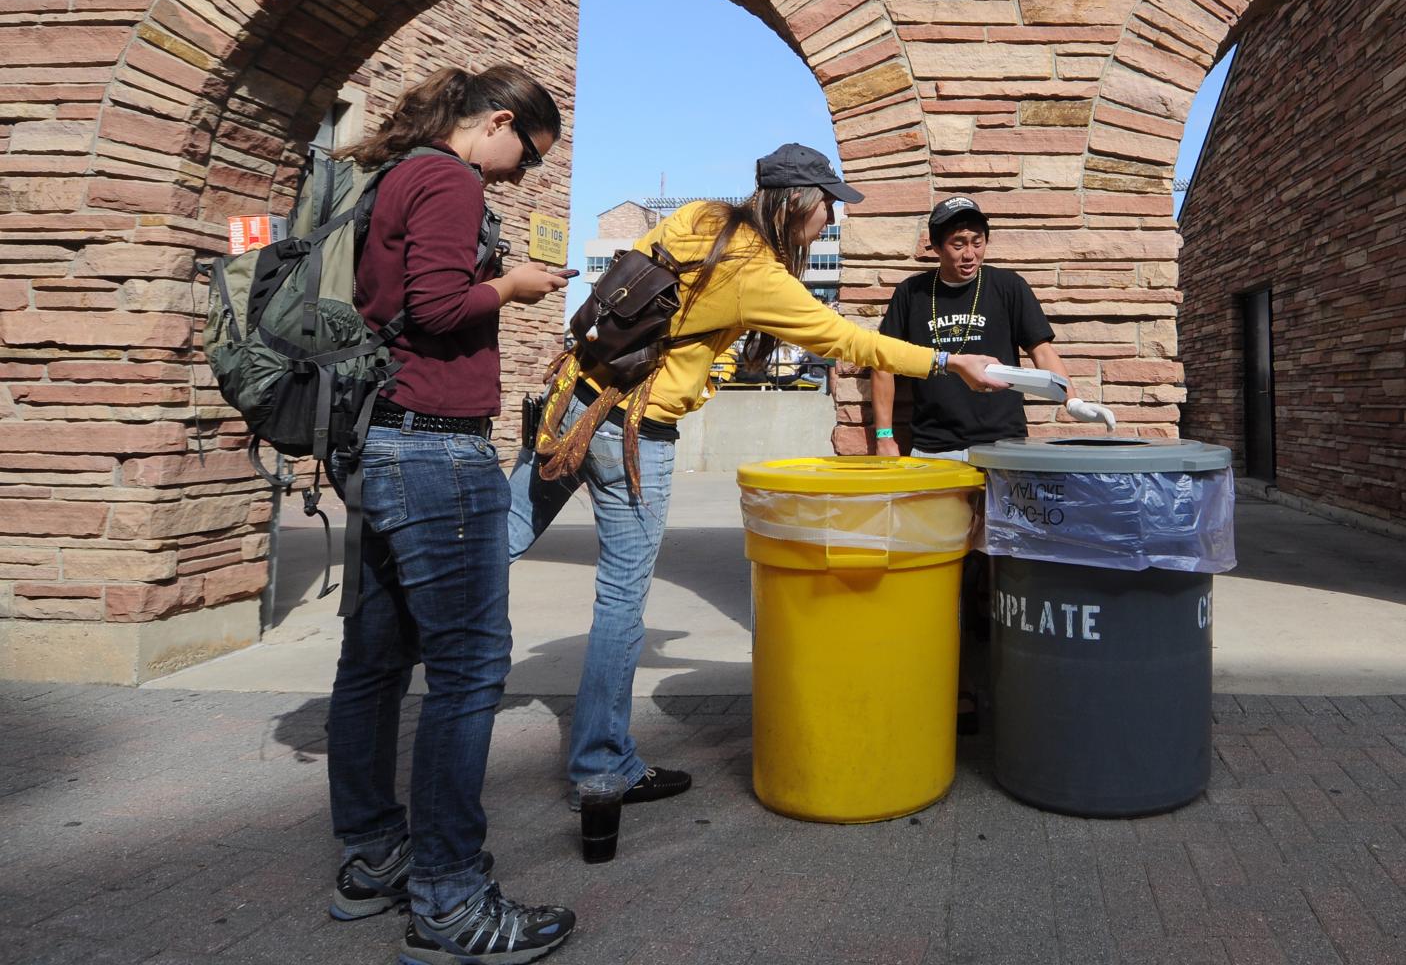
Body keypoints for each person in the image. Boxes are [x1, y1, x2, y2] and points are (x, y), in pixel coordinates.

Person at [509, 143, 1009, 808]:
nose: (830, 219)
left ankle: (405, 634)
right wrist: (950, 363)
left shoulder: (698, 219)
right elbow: (846, 341)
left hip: (572, 400)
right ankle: (603, 768)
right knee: (621, 601)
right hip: (634, 432)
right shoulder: (756, 274)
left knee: (498, 533)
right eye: (827, 204)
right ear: (798, 200)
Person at [324, 64, 579, 964]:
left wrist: (497, 275)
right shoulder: (446, 177)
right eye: (524, 157)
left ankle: (371, 857)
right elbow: (435, 306)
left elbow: (404, 294)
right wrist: (512, 290)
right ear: (497, 121)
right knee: (469, 673)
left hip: (382, 441)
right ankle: (450, 901)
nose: (517, 177)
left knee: (376, 662)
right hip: (436, 448)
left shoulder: (396, 174)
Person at [871, 195, 1109, 460]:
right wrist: (884, 437)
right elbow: (883, 363)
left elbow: (1041, 350)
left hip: (1004, 445)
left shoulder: (1008, 287)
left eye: (977, 242)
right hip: (934, 447)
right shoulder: (912, 293)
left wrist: (1072, 400)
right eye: (958, 244)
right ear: (937, 247)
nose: (969, 254)